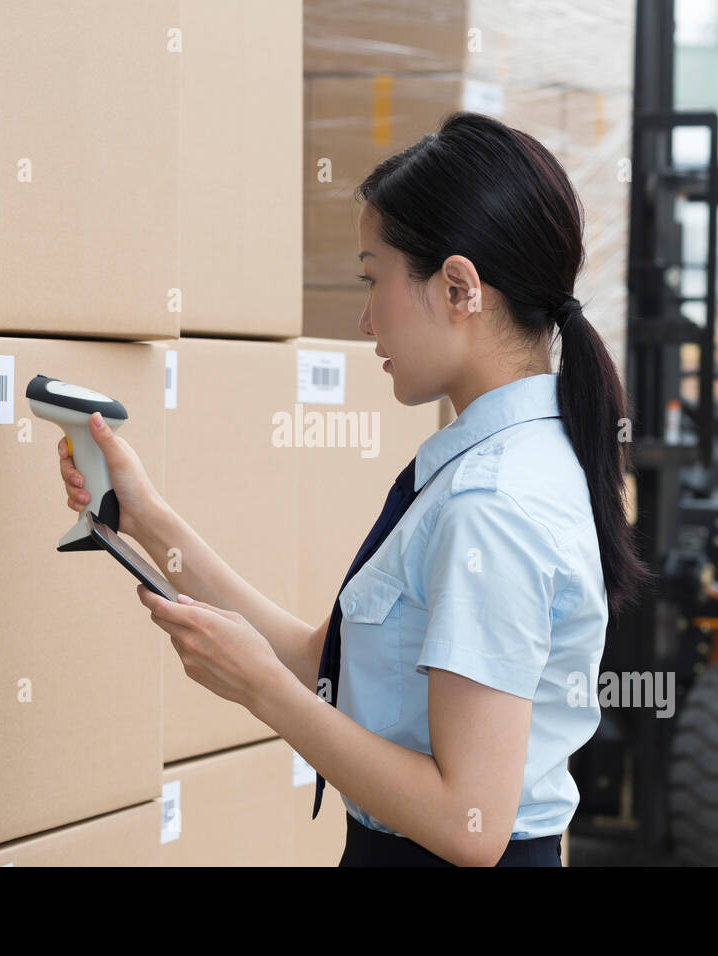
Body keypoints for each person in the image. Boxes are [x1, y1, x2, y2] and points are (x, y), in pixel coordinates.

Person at [58, 111, 650, 867]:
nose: (367, 318)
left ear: (460, 287)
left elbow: (469, 823)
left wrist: (263, 693)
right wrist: (146, 518)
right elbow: (327, 665)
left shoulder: (492, 507)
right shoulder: (498, 466)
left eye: (375, 279)